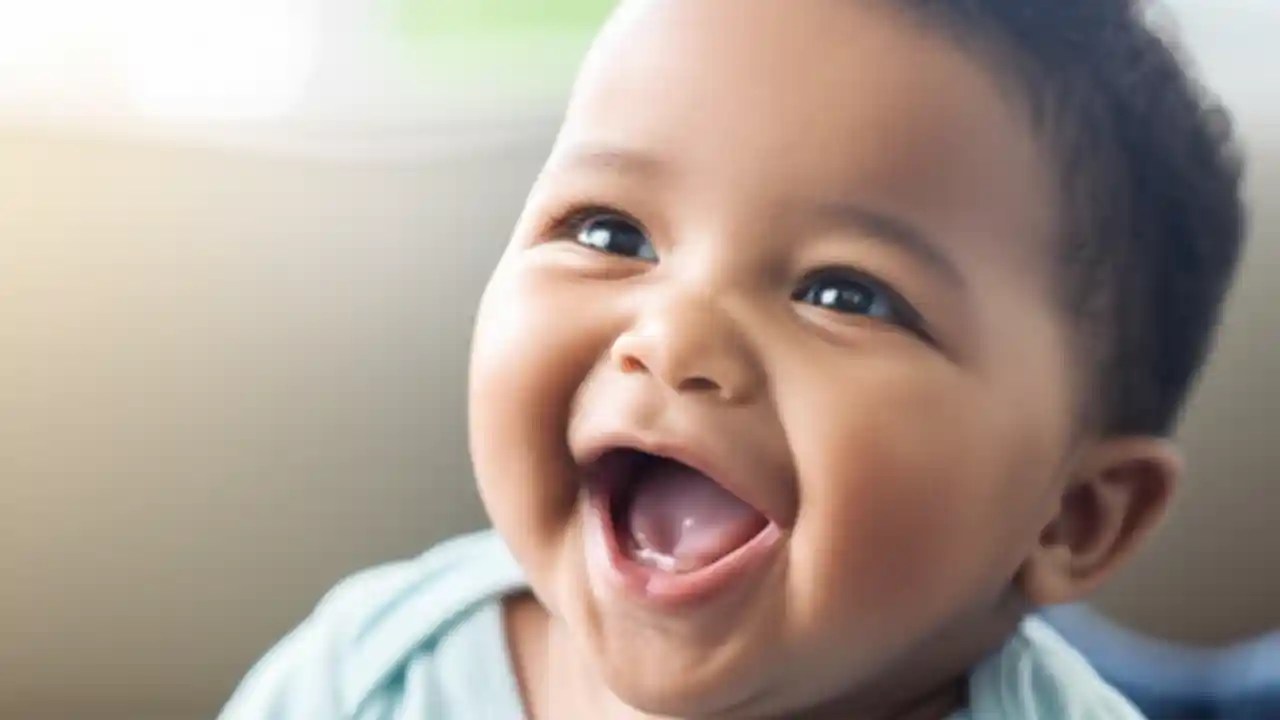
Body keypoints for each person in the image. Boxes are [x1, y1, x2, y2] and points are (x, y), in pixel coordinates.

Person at [219, 0, 1246, 717]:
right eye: (612, 232)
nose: (673, 337)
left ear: (1073, 515)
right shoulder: (369, 678)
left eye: (845, 294)